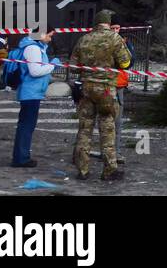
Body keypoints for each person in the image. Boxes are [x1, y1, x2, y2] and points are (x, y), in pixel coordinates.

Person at [70, 10, 132, 181]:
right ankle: (109, 169)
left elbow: (73, 67)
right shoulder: (114, 38)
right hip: (105, 89)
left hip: (86, 88)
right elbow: (125, 63)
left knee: (85, 128)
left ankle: (82, 169)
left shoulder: (84, 39)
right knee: (107, 128)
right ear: (108, 22)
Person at [10, 29, 61, 168]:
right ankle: (21, 158)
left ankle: (20, 156)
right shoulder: (33, 48)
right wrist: (53, 65)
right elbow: (35, 71)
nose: (50, 39)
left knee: (26, 125)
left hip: (31, 92)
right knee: (27, 126)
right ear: (41, 34)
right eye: (49, 35)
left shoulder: (35, 47)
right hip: (30, 92)